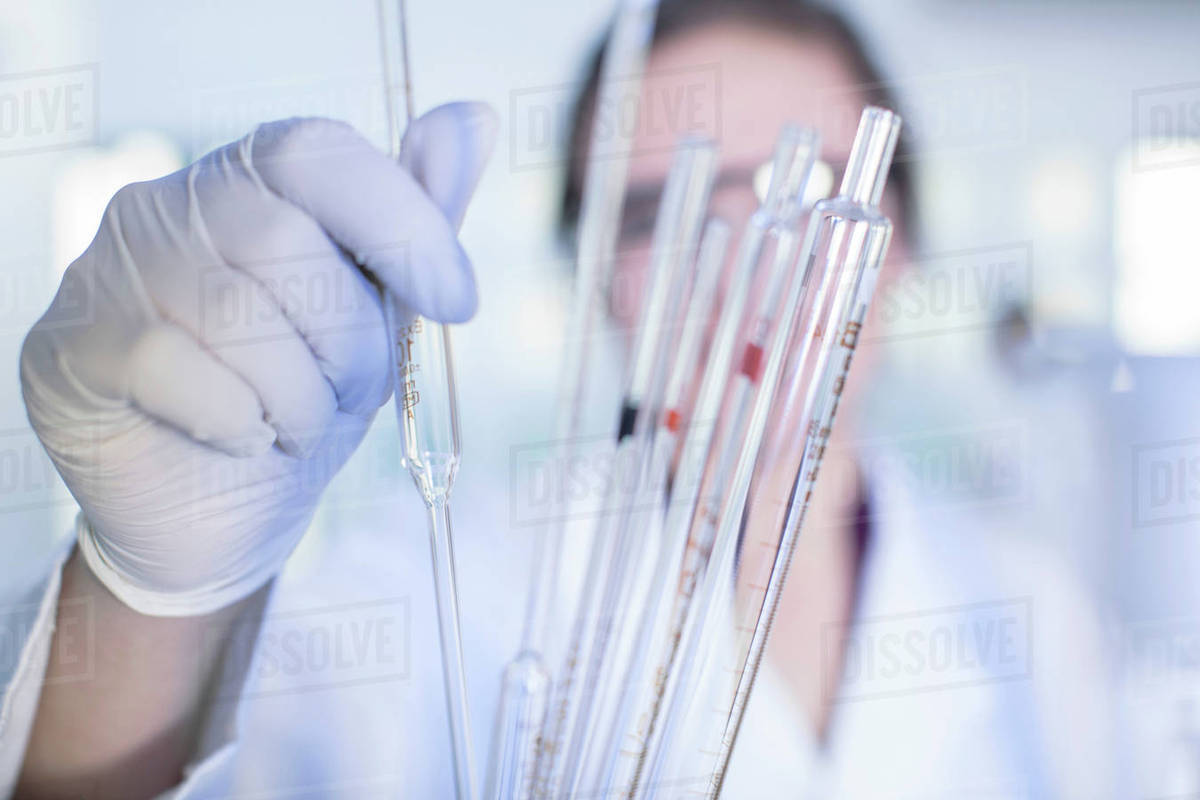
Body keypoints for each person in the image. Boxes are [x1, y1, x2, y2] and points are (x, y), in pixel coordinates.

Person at [2, 1, 1128, 798]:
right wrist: (146, 591)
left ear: (903, 246)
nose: (733, 262)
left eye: (811, 195)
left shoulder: (1033, 607)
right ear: (596, 280)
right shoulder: (432, 586)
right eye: (656, 216)